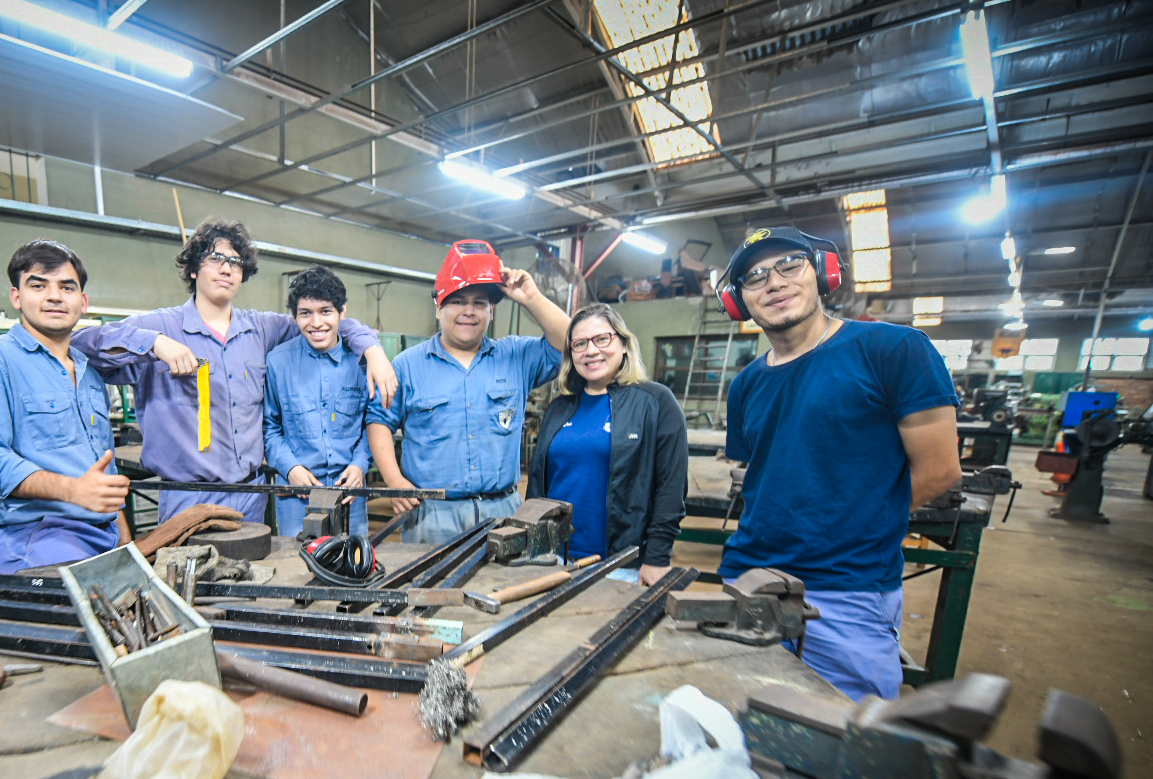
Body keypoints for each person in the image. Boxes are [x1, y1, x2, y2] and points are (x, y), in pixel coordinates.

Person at [718, 225, 961, 701]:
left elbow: (940, 471)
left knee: (843, 740)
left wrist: (852, 522)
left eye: (789, 265)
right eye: (755, 277)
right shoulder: (745, 384)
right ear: (739, 302)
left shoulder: (893, 350)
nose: (774, 282)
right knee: (750, 718)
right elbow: (758, 474)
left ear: (824, 274)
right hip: (748, 576)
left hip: (844, 589)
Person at [68, 219, 396, 523]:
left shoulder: (262, 329)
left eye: (235, 261)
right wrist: (153, 343)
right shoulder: (161, 325)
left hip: (251, 495)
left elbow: (326, 320)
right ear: (194, 269)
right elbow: (80, 345)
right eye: (215, 258)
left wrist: (373, 350)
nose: (226, 268)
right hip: (188, 497)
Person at [366, 239, 567, 545]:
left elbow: (570, 343)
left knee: (500, 591)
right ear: (438, 307)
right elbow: (379, 420)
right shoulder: (408, 364)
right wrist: (395, 482)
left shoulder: (516, 357)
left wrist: (531, 297)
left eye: (478, 303)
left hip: (502, 511)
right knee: (433, 592)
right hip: (431, 513)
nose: (468, 312)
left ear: (490, 310)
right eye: (457, 301)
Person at [0, 240, 131, 573]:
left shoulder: (90, 370)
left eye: (67, 287)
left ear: (83, 301)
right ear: (16, 297)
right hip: (40, 539)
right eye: (38, 285)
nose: (54, 296)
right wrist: (72, 490)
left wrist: (121, 528)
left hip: (103, 533)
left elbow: (100, 461)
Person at [525, 304, 687, 586]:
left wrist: (657, 557)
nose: (591, 351)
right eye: (579, 344)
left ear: (623, 344)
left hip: (622, 564)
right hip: (553, 561)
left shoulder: (656, 401)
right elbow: (538, 486)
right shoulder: (559, 408)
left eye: (602, 339)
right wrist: (534, 548)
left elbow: (671, 488)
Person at [263, 265, 371, 537]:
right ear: (293, 316)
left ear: (342, 312)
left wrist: (360, 464)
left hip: (350, 491)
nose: (316, 323)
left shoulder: (362, 362)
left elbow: (374, 424)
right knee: (295, 569)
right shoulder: (278, 362)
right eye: (305, 313)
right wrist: (291, 468)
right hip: (295, 494)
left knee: (353, 566)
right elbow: (270, 427)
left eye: (325, 311)